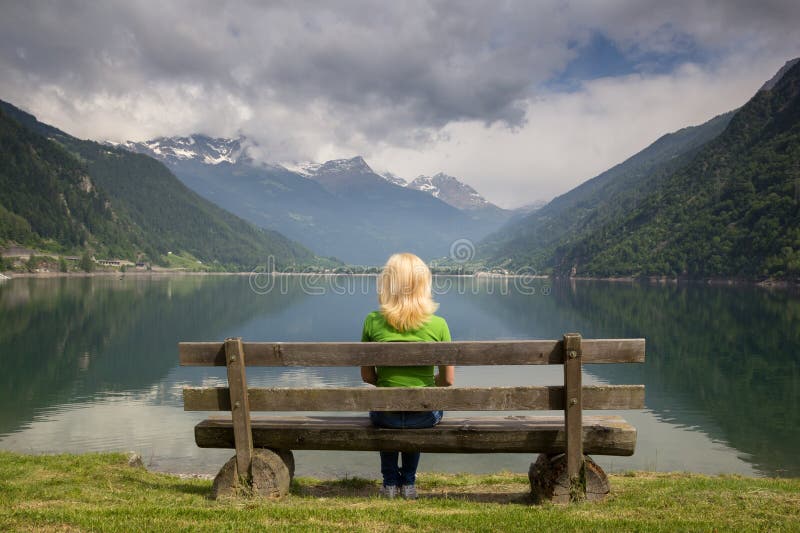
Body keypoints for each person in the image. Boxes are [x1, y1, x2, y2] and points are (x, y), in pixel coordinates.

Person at [360, 252, 455, 500]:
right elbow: (447, 381)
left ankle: (390, 483)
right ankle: (409, 483)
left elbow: (367, 376)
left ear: (387, 284)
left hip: (385, 417)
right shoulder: (439, 325)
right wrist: (424, 385)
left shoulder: (372, 322)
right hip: (422, 418)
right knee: (424, 406)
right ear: (423, 285)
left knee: (384, 406)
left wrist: (388, 383)